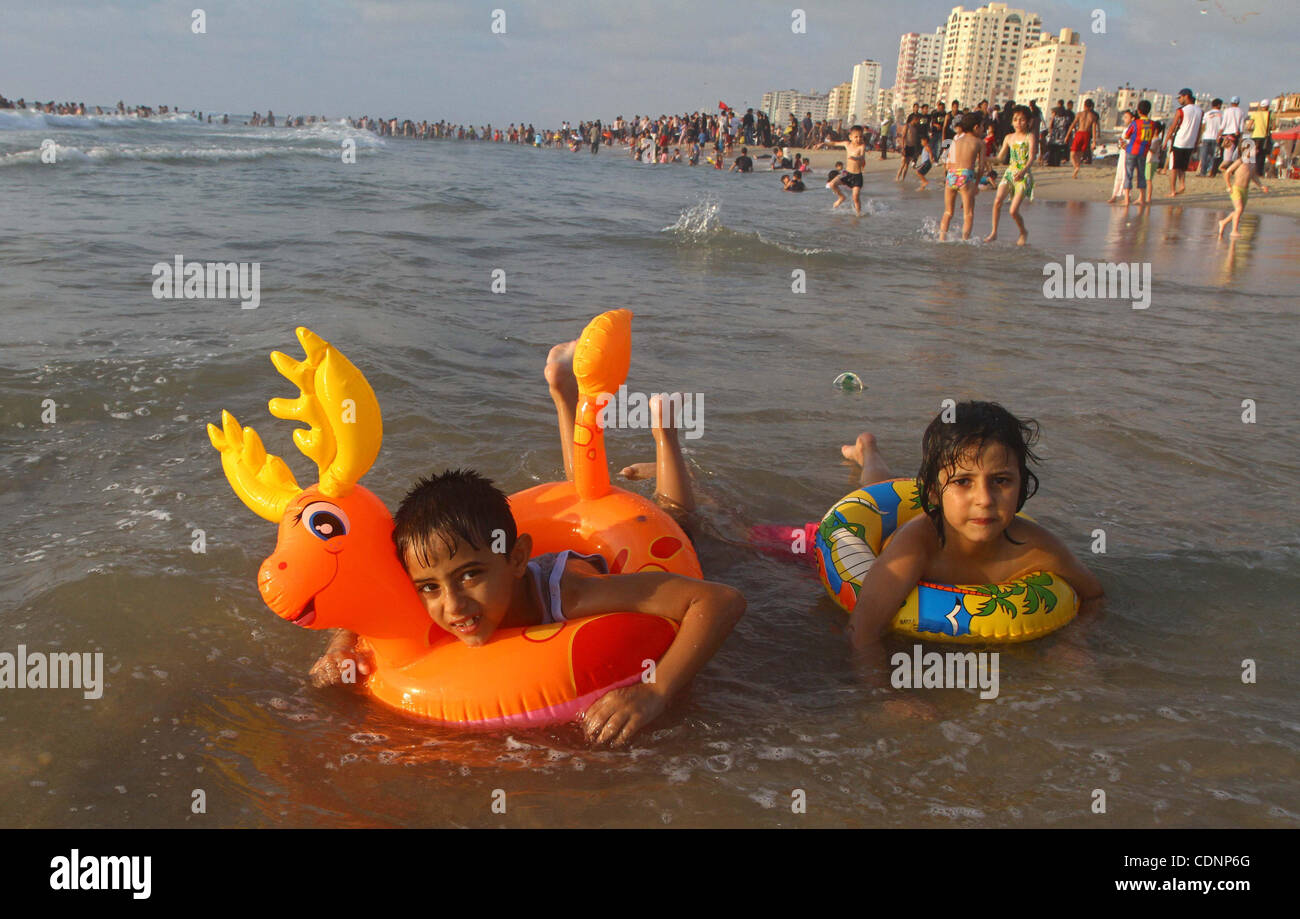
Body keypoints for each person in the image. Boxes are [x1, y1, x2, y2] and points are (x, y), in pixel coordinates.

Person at [311, 339, 744, 746]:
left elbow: (720, 601)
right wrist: (339, 647)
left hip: (600, 555)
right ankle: (564, 393)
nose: (454, 604)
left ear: (518, 558)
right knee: (578, 492)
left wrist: (656, 691)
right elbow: (373, 592)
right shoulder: (436, 590)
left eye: (471, 575)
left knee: (682, 521)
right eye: (430, 587)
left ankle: (664, 432)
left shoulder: (571, 596)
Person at [838, 402, 1103, 657]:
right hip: (898, 525)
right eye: (963, 481)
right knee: (877, 489)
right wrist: (889, 697)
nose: (985, 499)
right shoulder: (915, 546)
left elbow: (1093, 596)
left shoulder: (1038, 548)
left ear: (1021, 486)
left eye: (1001, 480)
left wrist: (1075, 642)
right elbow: (861, 633)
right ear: (932, 491)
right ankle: (868, 450)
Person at [985, 105, 1036, 245]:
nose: (1018, 123)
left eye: (1022, 120)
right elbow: (1000, 158)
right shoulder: (1008, 137)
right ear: (1012, 122)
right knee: (997, 201)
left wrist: (1024, 171)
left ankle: (1023, 231)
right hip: (1010, 173)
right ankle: (994, 232)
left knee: (1013, 211)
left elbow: (1031, 158)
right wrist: (986, 158)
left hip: (1023, 175)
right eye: (1015, 120)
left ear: (1029, 122)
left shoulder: (1029, 137)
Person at [938, 112, 987, 242]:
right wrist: (975, 185)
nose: (983, 129)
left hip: (951, 175)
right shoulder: (980, 143)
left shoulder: (955, 141)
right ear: (976, 127)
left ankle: (941, 238)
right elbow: (982, 167)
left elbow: (948, 164)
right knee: (968, 214)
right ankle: (965, 241)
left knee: (948, 212)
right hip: (966, 176)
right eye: (982, 126)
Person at [1217, 139, 1270, 238]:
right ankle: (1234, 231)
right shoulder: (1240, 161)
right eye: (1255, 149)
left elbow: (1254, 176)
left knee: (1239, 210)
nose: (1257, 151)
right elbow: (1227, 172)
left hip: (1245, 190)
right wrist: (1228, 186)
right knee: (1239, 208)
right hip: (1236, 188)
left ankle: (1223, 222)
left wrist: (1261, 186)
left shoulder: (1252, 163)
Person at [1166, 89, 1203, 197]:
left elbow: (1172, 127)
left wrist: (1165, 142)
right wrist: (1196, 144)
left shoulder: (1181, 111)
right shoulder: (1200, 111)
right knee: (1182, 167)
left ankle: (1172, 190)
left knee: (1173, 167)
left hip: (1179, 141)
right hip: (1190, 143)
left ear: (1186, 96)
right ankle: (1182, 185)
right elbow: (1199, 129)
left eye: (1180, 98)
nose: (1179, 100)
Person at [1120, 99, 1156, 206]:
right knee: (1141, 175)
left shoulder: (1135, 123)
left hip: (1132, 150)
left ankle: (1126, 199)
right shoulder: (1152, 124)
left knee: (1129, 174)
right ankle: (1142, 198)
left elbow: (1126, 135)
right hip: (1143, 152)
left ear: (1139, 111)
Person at [827, 125, 868, 215]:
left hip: (857, 176)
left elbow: (862, 157)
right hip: (846, 173)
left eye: (860, 136)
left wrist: (855, 158)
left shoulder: (862, 146)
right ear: (850, 137)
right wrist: (823, 144)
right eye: (856, 137)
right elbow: (834, 144)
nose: (858, 139)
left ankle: (858, 214)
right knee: (832, 184)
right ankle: (841, 197)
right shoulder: (847, 144)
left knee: (855, 197)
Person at [1107, 110, 1134, 203]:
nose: (1124, 119)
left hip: (1128, 153)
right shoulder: (1126, 129)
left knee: (1126, 174)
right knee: (1120, 173)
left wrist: (1123, 144)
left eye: (1126, 117)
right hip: (1123, 153)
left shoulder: (1132, 128)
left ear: (1132, 118)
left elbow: (1131, 142)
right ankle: (1115, 194)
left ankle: (1126, 195)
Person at [1068, 99, 1098, 178]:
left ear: (1084, 105)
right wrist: (1094, 141)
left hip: (1079, 133)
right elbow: (1094, 130)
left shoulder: (1079, 114)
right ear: (1091, 106)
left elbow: (1072, 125)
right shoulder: (1093, 116)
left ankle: (1076, 167)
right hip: (1087, 135)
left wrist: (1067, 136)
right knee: (1080, 154)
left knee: (1072, 154)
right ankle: (1076, 171)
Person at [1199, 98, 1223, 177]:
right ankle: (1211, 172)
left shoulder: (1207, 114)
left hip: (1206, 136)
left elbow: (1203, 126)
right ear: (1219, 105)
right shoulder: (1222, 114)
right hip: (1217, 138)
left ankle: (1203, 172)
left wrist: (1201, 136)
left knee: (1204, 156)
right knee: (1214, 156)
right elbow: (1223, 127)